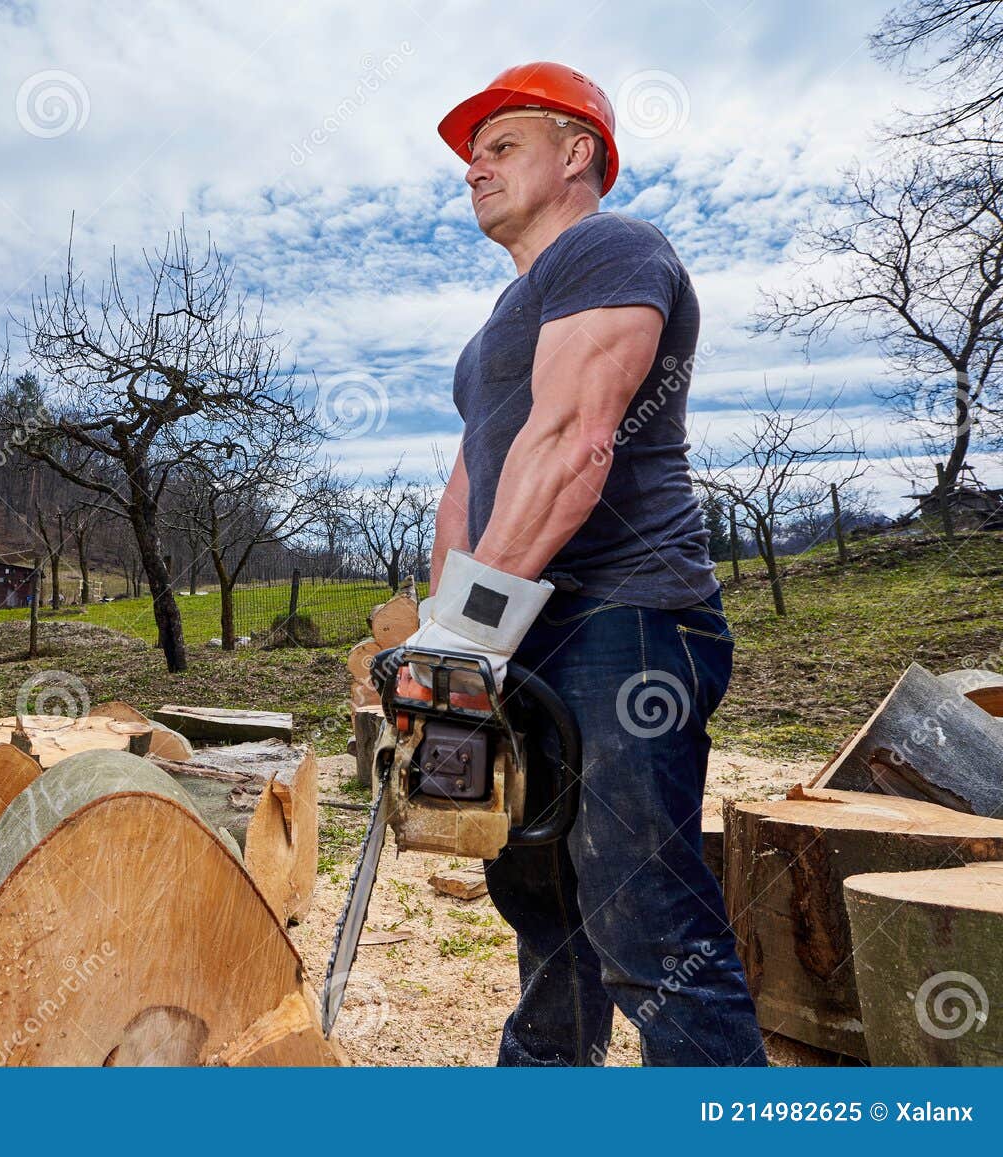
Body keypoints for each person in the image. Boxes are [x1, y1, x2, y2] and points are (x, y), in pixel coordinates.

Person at [403, 62, 767, 1066]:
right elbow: (466, 489)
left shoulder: (613, 248)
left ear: (578, 155)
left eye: (500, 145)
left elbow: (573, 441)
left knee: (641, 911)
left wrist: (466, 628)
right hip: (517, 629)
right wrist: (442, 643)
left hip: (629, 619)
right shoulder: (491, 334)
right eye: (470, 155)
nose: (474, 167)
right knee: (537, 902)